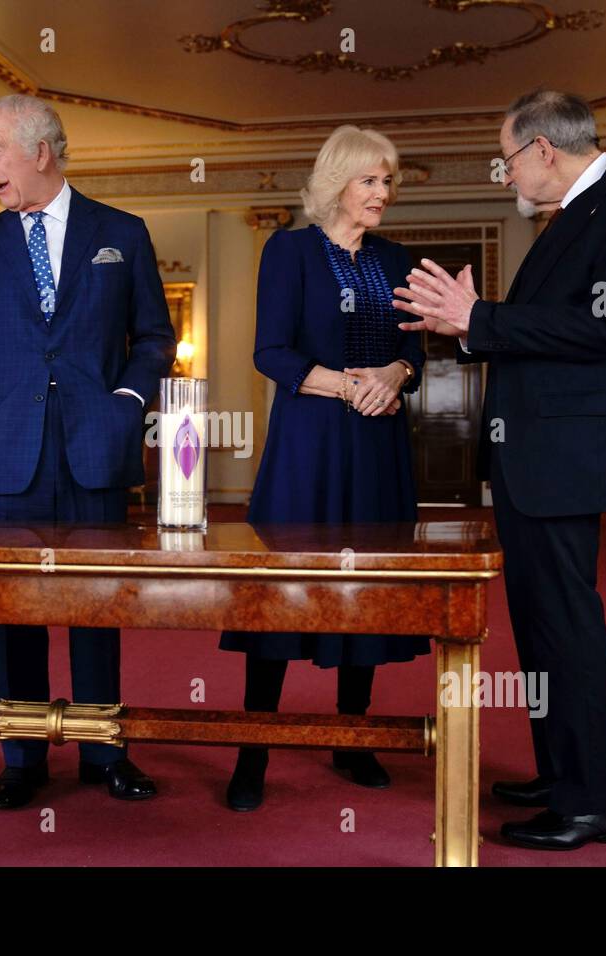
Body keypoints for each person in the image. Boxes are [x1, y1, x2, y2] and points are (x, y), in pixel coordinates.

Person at [394, 89, 606, 850]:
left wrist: (479, 318)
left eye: (508, 160)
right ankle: (562, 774)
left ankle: (592, 804)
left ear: (544, 151)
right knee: (540, 625)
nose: (506, 176)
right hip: (540, 454)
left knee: (567, 627)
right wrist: (466, 326)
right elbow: (543, 333)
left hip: (571, 454)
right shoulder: (577, 214)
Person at [0, 94, 176, 809]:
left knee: (96, 607)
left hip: (97, 449)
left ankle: (104, 752)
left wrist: (129, 404)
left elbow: (155, 339)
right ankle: (21, 757)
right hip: (7, 459)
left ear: (40, 151)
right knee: (14, 610)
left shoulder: (123, 234)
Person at [218, 125, 427, 812]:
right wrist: (346, 385)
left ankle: (351, 738)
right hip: (309, 444)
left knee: (364, 592)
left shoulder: (397, 259)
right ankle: (253, 752)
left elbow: (415, 354)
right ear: (338, 181)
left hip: (377, 449)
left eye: (389, 181)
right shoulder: (289, 251)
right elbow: (270, 353)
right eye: (372, 180)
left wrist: (394, 374)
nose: (383, 193)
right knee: (283, 593)